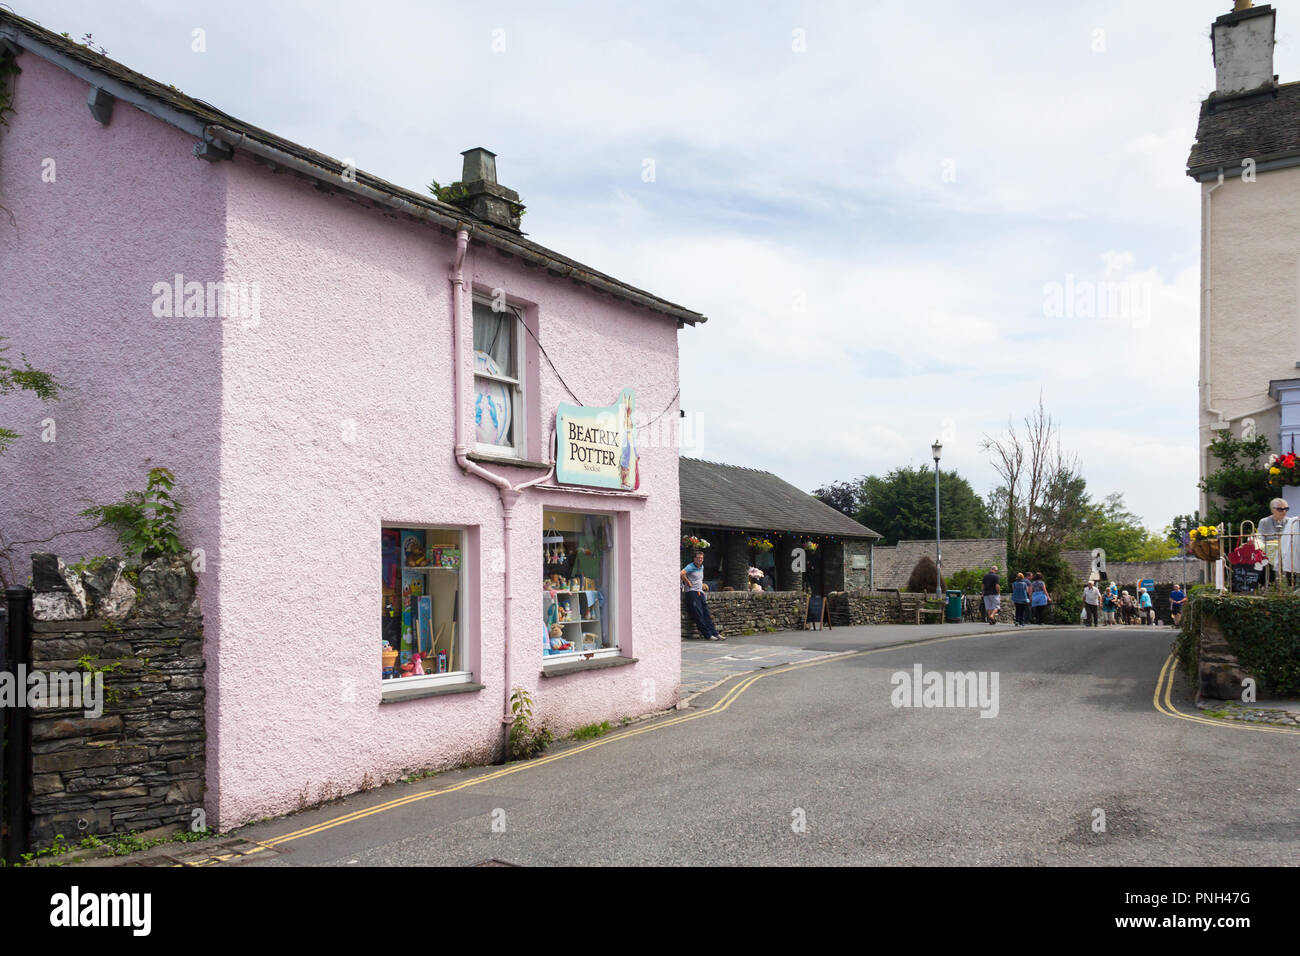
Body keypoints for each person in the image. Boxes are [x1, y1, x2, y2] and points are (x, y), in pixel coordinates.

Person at [681, 551, 723, 641]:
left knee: (706, 614)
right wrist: (687, 582)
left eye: (701, 558)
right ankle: (707, 635)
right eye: (698, 558)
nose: (700, 559)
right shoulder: (691, 566)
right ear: (694, 558)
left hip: (700, 592)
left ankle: (715, 633)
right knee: (698, 615)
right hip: (692, 593)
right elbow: (682, 573)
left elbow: (698, 579)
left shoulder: (702, 567)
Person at [1259, 499, 1298, 587]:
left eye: (1286, 509)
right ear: (1272, 510)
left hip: (1287, 550)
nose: (1283, 511)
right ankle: (1267, 584)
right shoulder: (1264, 522)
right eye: (1280, 509)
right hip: (1269, 550)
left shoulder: (1291, 521)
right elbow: (1260, 538)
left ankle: (1290, 584)